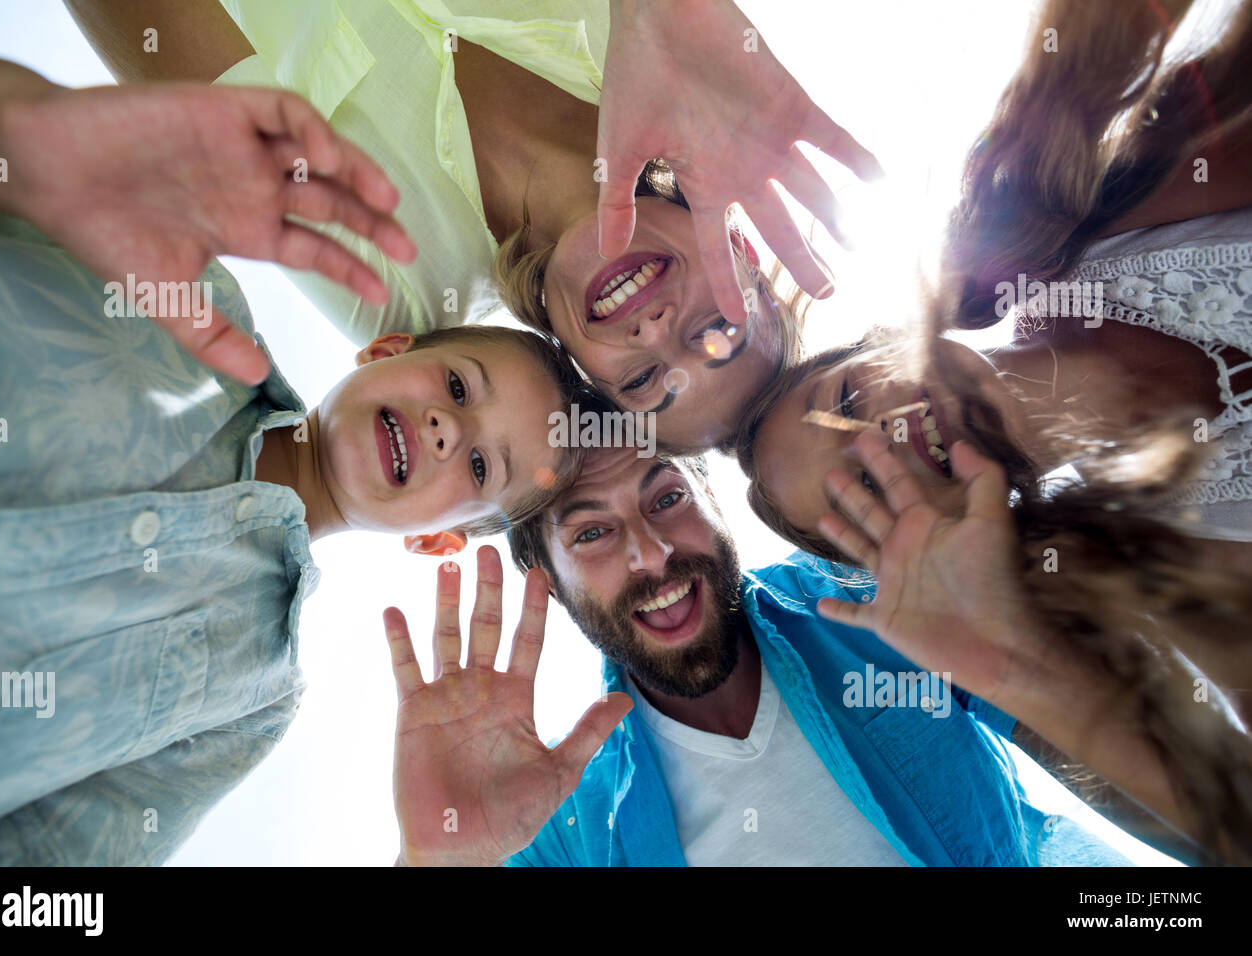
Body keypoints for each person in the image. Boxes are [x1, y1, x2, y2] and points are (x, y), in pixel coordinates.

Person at [0, 57, 584, 865]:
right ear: (383, 350)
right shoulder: (187, 291)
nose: (443, 431)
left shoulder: (250, 702)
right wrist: (16, 133)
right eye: (458, 386)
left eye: (480, 470)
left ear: (437, 543)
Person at [731, 0, 1252, 861]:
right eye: (865, 492)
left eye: (851, 399)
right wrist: (1010, 669)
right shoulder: (1178, 567)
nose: (886, 438)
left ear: (889, 338)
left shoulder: (1115, 213)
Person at [64, 0, 881, 451]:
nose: (659, 334)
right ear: (741, 244)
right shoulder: (672, 38)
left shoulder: (384, 279)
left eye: (639, 382)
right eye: (716, 333)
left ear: (582, 377)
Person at [382, 445, 1212, 867]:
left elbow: (1091, 738)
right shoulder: (565, 819)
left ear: (716, 506)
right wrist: (431, 857)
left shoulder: (858, 602)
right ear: (552, 587)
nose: (652, 555)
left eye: (667, 498)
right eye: (592, 534)